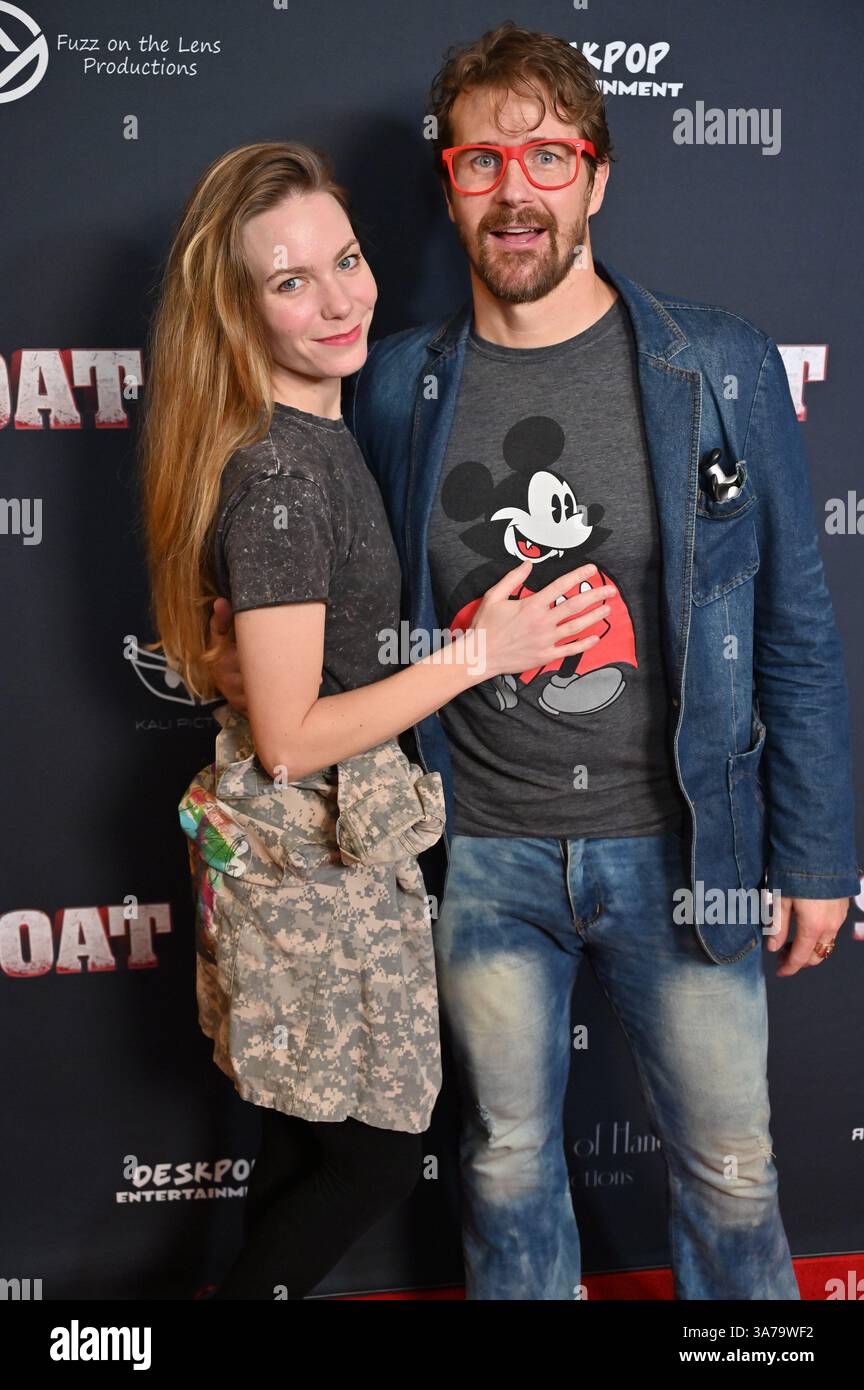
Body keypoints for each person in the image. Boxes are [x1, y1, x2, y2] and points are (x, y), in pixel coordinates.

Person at [205, 25, 861, 1300]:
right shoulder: (394, 382)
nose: (517, 191)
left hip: (685, 844)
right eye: (482, 161)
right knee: (504, 1165)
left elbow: (796, 626)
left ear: (597, 176)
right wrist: (240, 664)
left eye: (548, 156)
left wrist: (818, 853)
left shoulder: (714, 367)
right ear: (448, 181)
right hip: (481, 853)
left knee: (733, 1172)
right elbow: (302, 552)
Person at [139, 138, 610, 1299]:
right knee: (374, 1153)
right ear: (239, 309)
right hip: (313, 850)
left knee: (310, 1137)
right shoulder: (286, 477)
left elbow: (267, 675)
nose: (342, 297)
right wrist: (480, 656)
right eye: (291, 280)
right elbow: (295, 735)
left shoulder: (314, 435)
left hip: (325, 845)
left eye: (344, 261)